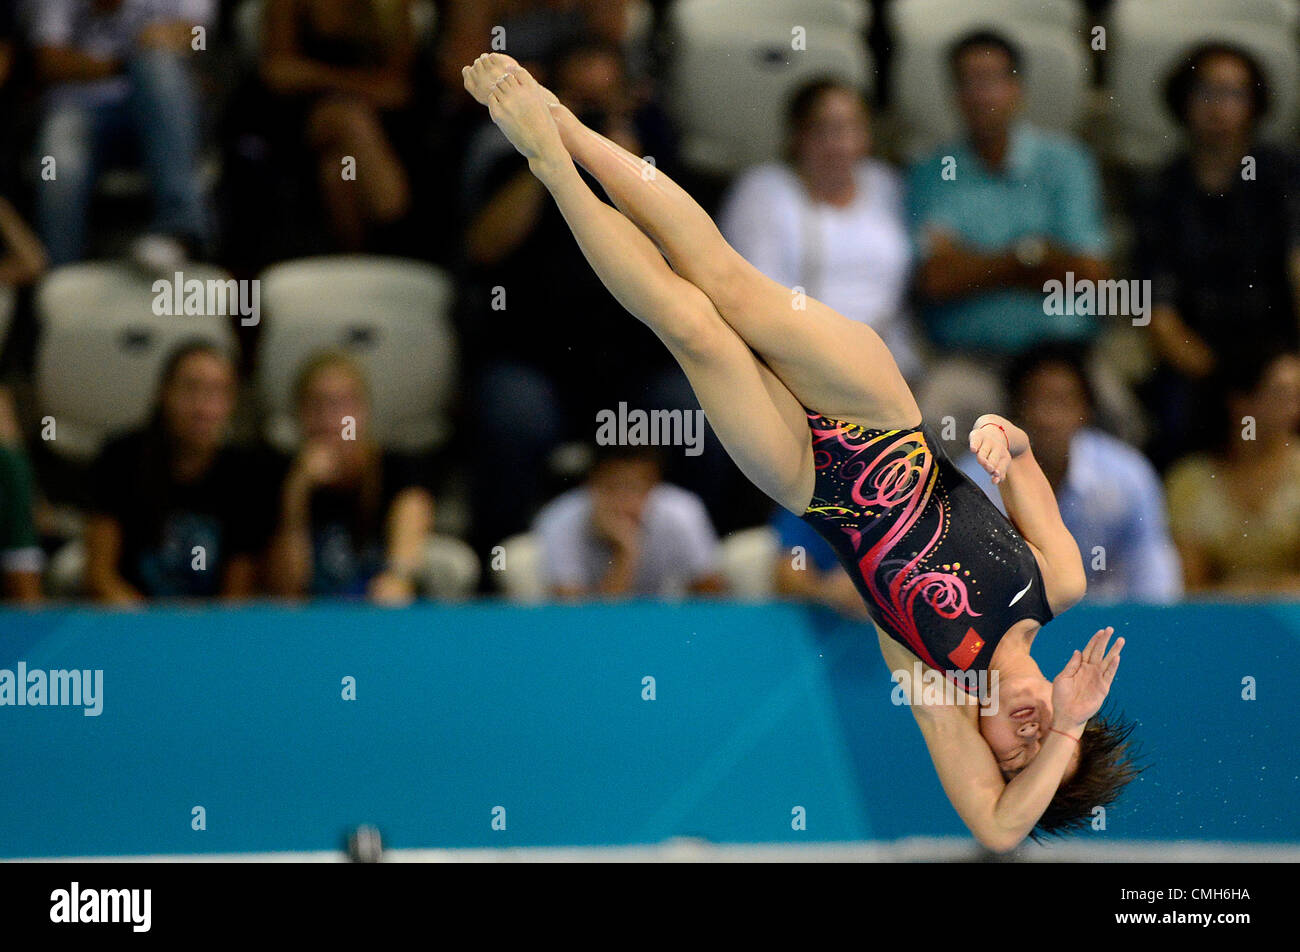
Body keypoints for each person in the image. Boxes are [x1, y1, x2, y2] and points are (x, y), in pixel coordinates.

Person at [461, 53, 1139, 851]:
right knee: (727, 282)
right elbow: (1022, 459)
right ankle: (569, 124)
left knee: (689, 326)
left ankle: (551, 166)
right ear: (1069, 697)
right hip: (882, 411)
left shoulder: (929, 680)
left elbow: (995, 831)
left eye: (1017, 759)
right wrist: (1008, 443)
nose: (1026, 738)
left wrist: (1062, 741)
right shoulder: (1054, 582)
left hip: (809, 480)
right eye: (1046, 740)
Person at [907, 30, 1110, 435]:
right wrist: (1031, 255)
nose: (982, 94)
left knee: (1121, 417)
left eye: (994, 79)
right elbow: (937, 279)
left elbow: (1091, 276)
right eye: (969, 82)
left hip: (1064, 361)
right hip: (970, 362)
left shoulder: (1066, 163)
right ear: (955, 94)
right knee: (927, 425)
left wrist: (975, 263)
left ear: (1017, 88)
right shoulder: (932, 171)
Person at [1133, 43, 1300, 469]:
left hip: (1279, 349)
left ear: (1255, 103)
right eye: (1205, 92)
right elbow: (1157, 312)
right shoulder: (1161, 188)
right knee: (1174, 417)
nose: (1218, 107)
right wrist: (1222, 380)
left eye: (1233, 93)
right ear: (1183, 101)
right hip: (1198, 358)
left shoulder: (1282, 174)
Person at [718, 78, 918, 379]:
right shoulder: (762, 191)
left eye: (851, 129)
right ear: (797, 135)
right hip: (795, 365)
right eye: (824, 130)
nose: (839, 144)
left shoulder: (884, 184)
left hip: (890, 362)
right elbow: (756, 293)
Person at [956, 344, 1182, 604]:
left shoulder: (1128, 477)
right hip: (1010, 625)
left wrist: (1151, 630)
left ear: (1086, 409)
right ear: (1016, 408)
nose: (1048, 418)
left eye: (1063, 402)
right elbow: (962, 581)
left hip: (1107, 625)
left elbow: (1152, 577)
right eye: (1037, 401)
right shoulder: (975, 481)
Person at [28, 0, 213, 267]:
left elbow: (202, 39)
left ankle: (179, 230)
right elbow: (47, 63)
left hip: (165, 112)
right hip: (82, 109)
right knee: (57, 155)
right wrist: (128, 62)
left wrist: (176, 38)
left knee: (157, 66)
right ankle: (60, 273)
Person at [84, 341, 269, 603]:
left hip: (210, 632)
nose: (202, 408)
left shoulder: (245, 474)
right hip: (132, 625)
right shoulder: (120, 458)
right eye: (190, 389)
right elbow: (100, 575)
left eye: (217, 392)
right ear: (164, 393)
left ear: (231, 403)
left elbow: (236, 596)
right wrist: (150, 629)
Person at [266, 350, 436, 603]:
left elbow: (412, 512)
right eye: (317, 404)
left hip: (376, 618)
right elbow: (287, 591)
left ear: (363, 411)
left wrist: (398, 575)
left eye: (343, 404)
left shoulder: (393, 467)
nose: (330, 419)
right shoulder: (281, 476)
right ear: (299, 414)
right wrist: (297, 491)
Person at [259, 0, 416, 251]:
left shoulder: (393, 7)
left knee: (337, 172)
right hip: (299, 115)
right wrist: (357, 85)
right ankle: (399, 232)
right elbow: (279, 73)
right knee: (348, 119)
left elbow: (397, 91)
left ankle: (356, 271)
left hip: (380, 123)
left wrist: (319, 77)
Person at [1165, 351, 1300, 595]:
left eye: (1297, 394)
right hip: (1215, 623)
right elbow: (1188, 588)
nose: (1294, 406)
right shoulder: (1189, 481)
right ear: (1240, 402)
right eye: (1281, 393)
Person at [533, 444, 724, 598]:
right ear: (591, 484)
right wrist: (626, 553)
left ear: (653, 487)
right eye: (612, 488)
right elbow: (577, 622)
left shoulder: (683, 512)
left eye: (634, 488)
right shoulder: (559, 519)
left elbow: (713, 600)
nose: (623, 501)